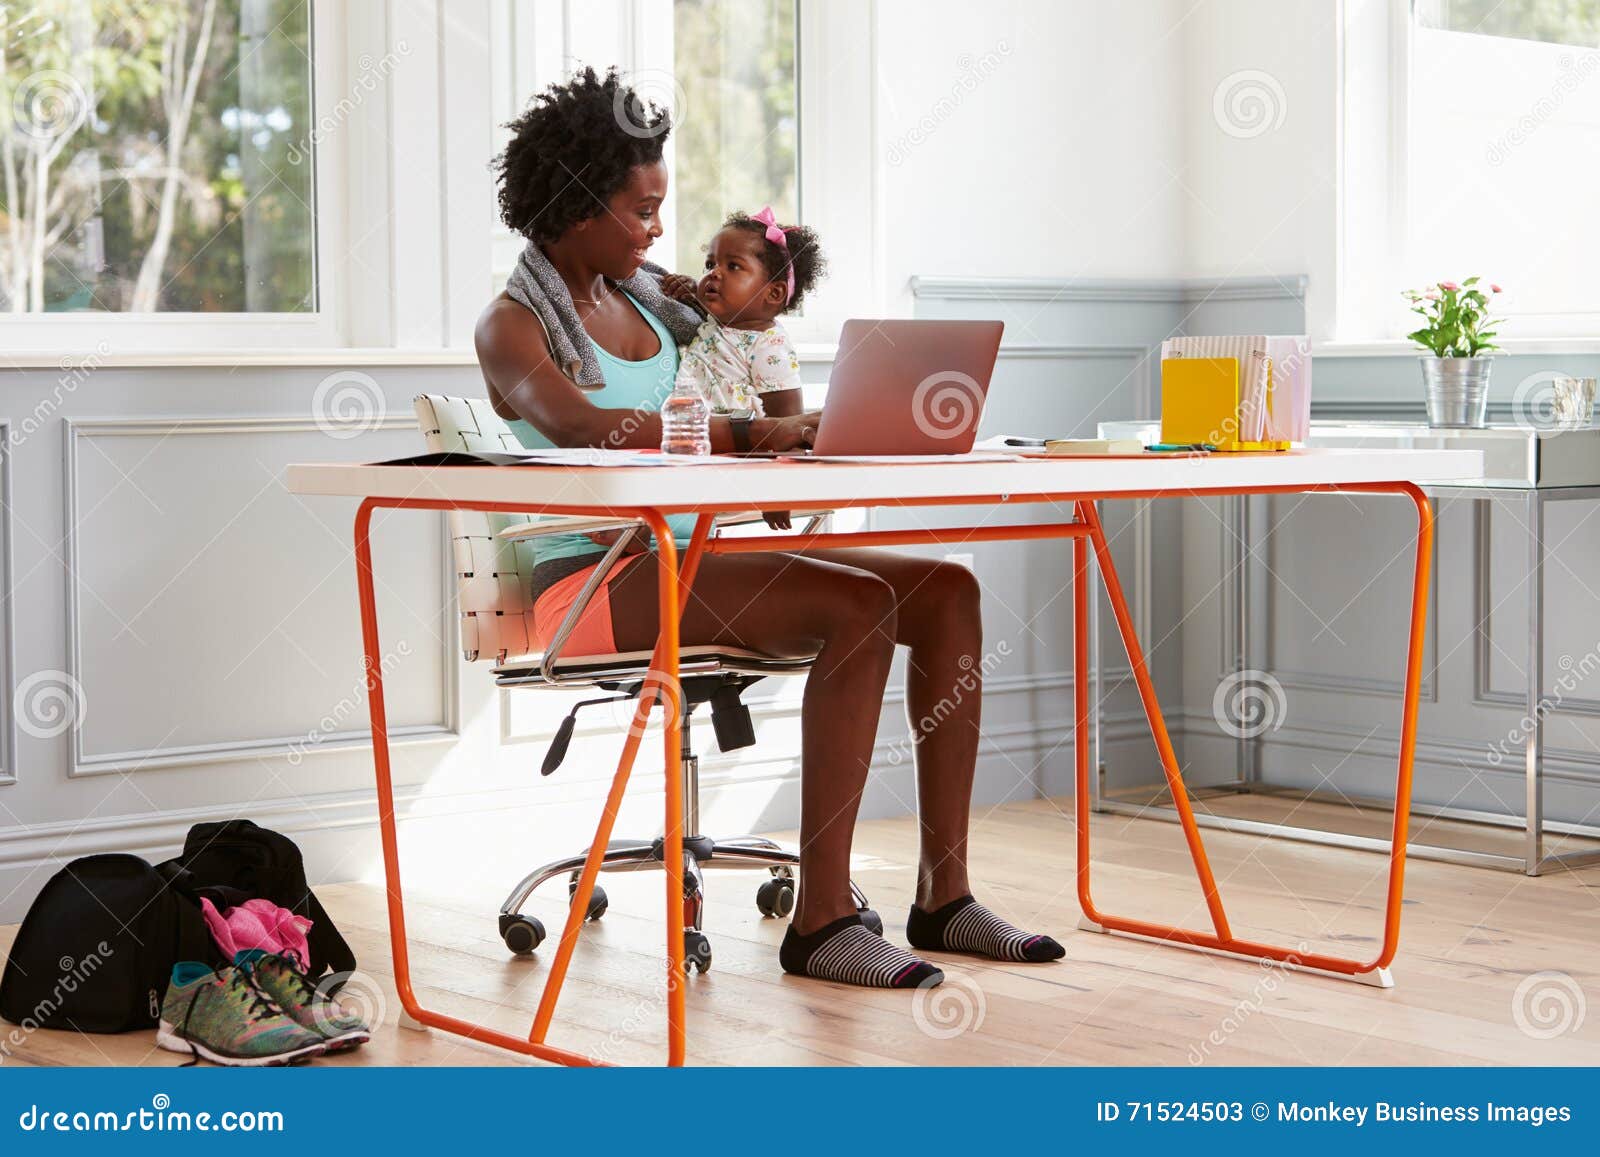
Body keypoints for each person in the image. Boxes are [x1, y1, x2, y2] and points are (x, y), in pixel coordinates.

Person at [476, 67, 1062, 989]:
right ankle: (821, 921)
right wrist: (755, 432)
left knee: (948, 588)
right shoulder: (511, 327)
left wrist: (818, 420)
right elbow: (589, 428)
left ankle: (944, 898)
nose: (660, 228)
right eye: (642, 209)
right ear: (582, 203)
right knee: (858, 605)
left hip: (698, 551)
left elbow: (742, 364)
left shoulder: (658, 305)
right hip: (587, 581)